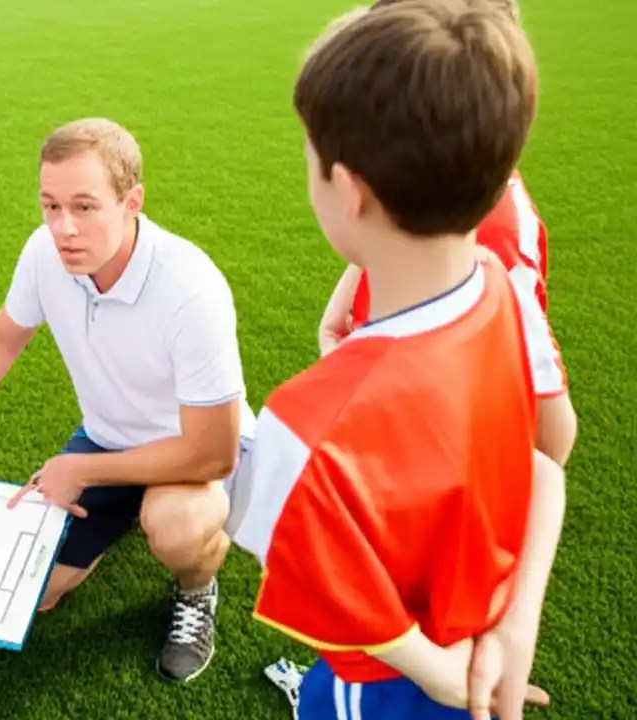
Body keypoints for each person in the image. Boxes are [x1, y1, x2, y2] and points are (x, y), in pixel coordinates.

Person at [227, 2, 566, 718]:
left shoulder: (301, 425)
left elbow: (318, 581)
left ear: (348, 192)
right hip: (480, 650)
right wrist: (514, 627)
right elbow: (543, 470)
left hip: (383, 692)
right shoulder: (503, 300)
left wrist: (443, 677)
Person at [0, 117, 253, 683]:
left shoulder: (191, 289)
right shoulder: (45, 254)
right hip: (109, 439)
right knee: (37, 595)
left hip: (186, 456)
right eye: (51, 206)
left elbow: (215, 454)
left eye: (85, 207)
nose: (64, 228)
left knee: (177, 525)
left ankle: (195, 589)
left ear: (132, 201)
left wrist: (81, 468)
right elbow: (3, 337)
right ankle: (115, 519)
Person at [315, 0, 577, 468]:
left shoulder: (489, 244)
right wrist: (341, 321)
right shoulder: (430, 182)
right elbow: (384, 240)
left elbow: (548, 438)